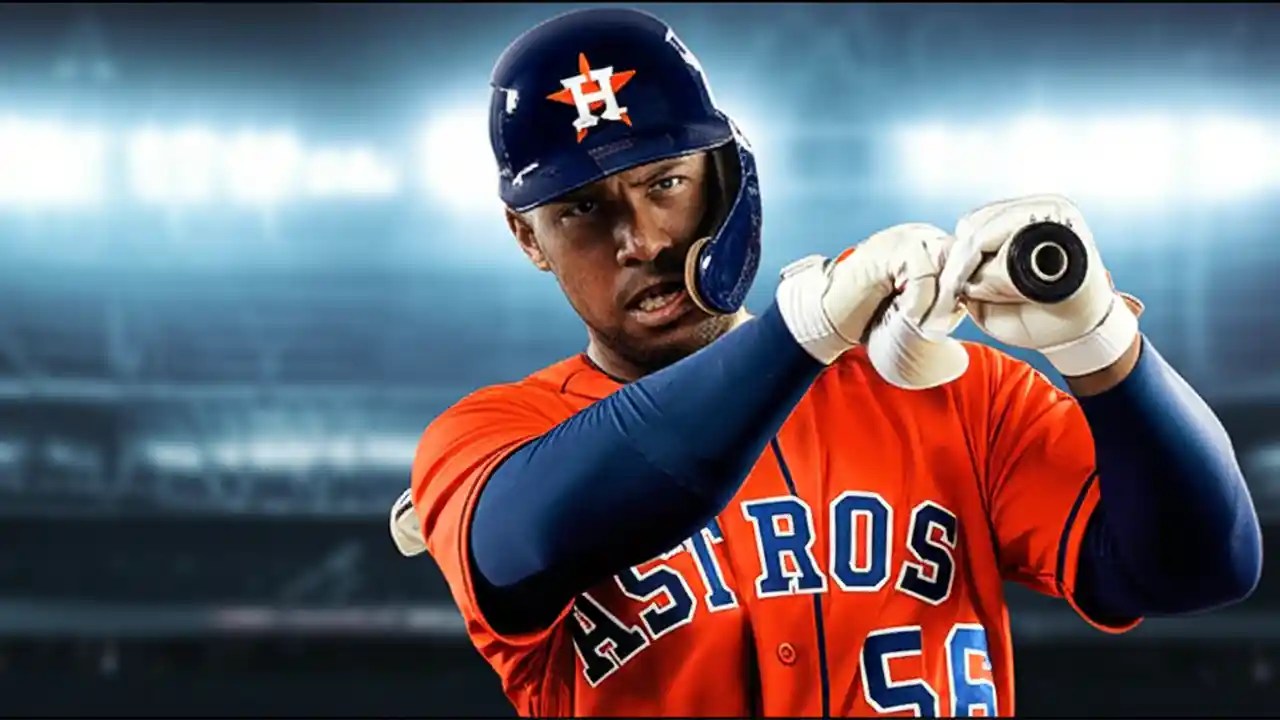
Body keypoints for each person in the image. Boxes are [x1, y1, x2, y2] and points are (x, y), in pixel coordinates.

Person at [389, 7, 1262, 717]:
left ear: (726, 176)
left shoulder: (953, 390)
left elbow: (1204, 565)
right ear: (527, 238)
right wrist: (804, 327)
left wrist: (1101, 343)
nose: (643, 239)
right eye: (581, 208)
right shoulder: (494, 441)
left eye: (666, 181)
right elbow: (523, 544)